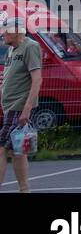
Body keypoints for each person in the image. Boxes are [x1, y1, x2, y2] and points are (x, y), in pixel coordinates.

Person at [0, 18, 42, 193]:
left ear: (18, 30)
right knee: (18, 151)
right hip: (10, 105)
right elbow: (11, 74)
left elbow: (37, 79)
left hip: (19, 106)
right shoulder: (11, 49)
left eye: (6, 30)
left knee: (1, 148)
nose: (3, 34)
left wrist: (27, 109)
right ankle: (25, 190)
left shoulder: (30, 47)